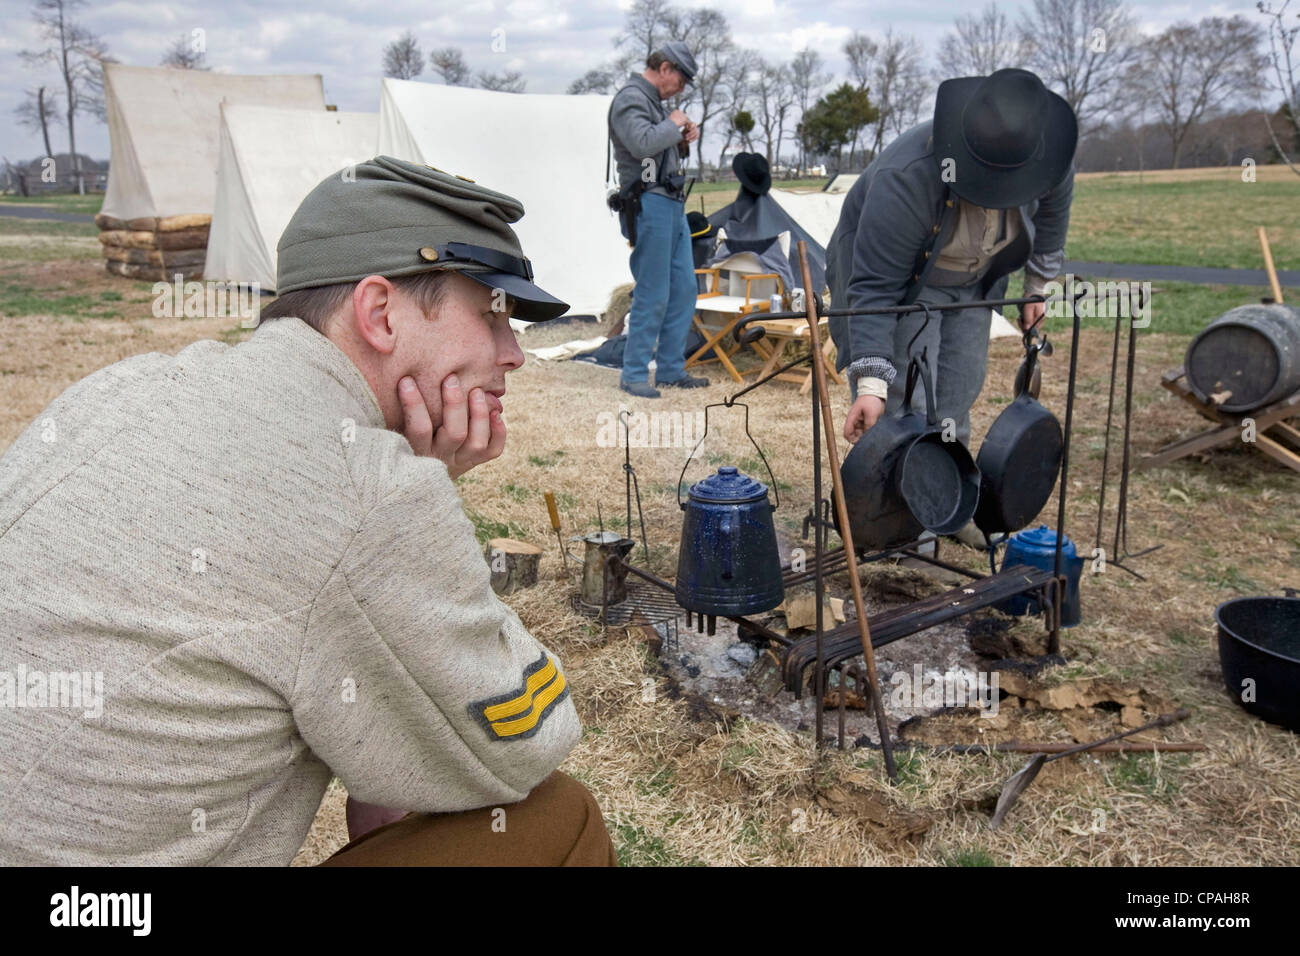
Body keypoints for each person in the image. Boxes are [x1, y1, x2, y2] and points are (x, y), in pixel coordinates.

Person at [0, 157, 617, 866]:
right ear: (379, 313)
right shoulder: (364, 489)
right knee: (560, 819)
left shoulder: (118, 388)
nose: (514, 354)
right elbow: (523, 743)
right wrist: (425, 490)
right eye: (491, 315)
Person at [827, 67, 1077, 548]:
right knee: (908, 404)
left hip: (977, 280)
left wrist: (1038, 286)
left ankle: (947, 504)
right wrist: (872, 384)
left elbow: (1054, 214)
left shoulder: (1044, 155)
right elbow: (875, 290)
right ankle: (902, 521)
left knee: (959, 389)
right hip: (905, 284)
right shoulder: (908, 177)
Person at [608, 39, 708, 398]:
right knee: (653, 291)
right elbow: (640, 144)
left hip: (670, 201)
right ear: (665, 67)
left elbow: (659, 147)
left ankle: (670, 369)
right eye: (681, 79)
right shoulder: (630, 98)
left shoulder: (652, 103)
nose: (680, 88)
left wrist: (682, 139)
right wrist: (673, 123)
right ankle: (634, 374)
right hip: (648, 203)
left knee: (684, 290)